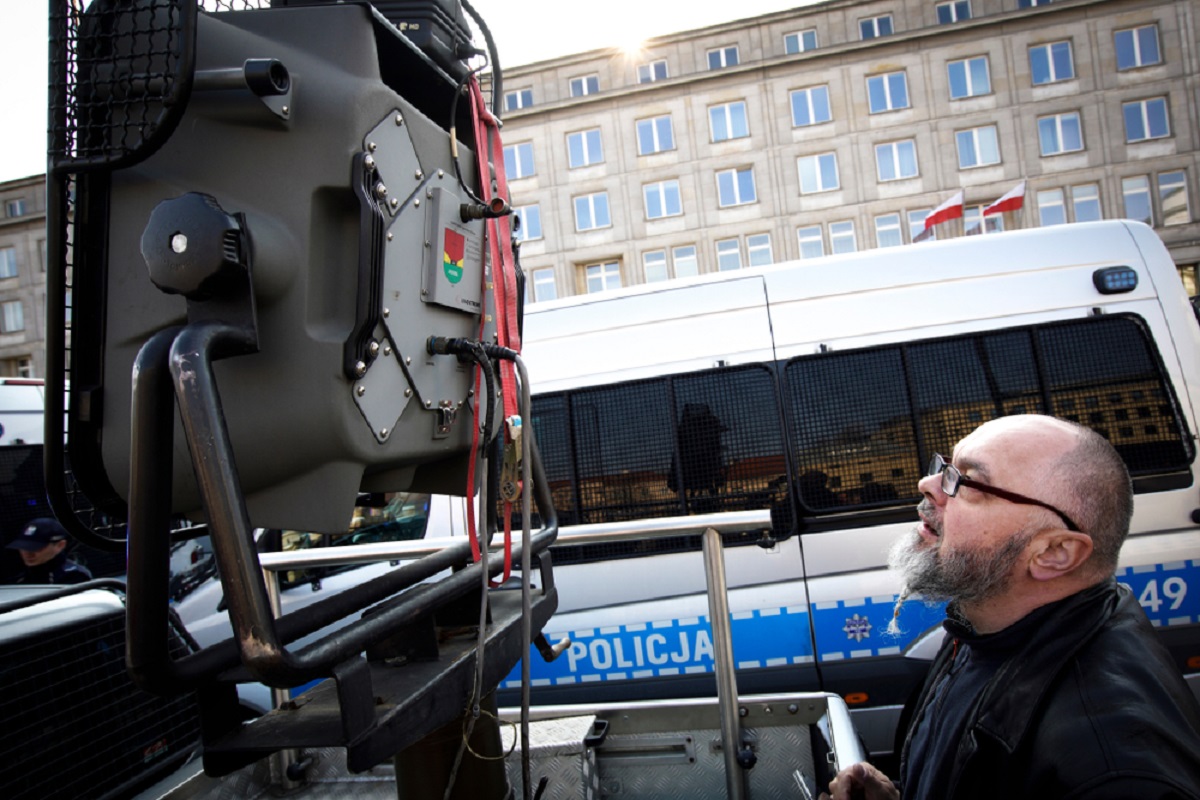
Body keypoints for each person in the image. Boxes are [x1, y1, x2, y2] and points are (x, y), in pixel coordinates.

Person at [823, 414, 1200, 800]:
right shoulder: (981, 629)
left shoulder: (1111, 772)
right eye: (947, 466)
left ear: (1054, 552)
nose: (928, 484)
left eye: (968, 482)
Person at [5, 517, 92, 585]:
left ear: (60, 545)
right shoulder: (19, 577)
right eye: (23, 547)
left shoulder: (75, 577)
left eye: (35, 548)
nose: (27, 554)